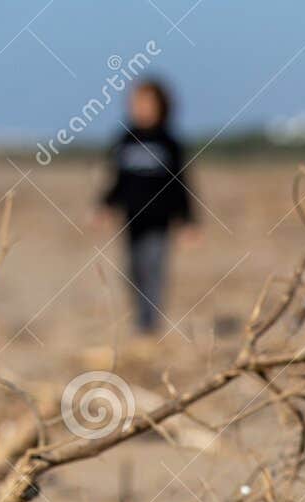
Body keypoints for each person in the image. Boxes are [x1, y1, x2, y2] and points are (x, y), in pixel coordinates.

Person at [97, 79, 197, 334]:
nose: (142, 109)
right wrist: (105, 205)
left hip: (160, 220)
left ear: (162, 106)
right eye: (137, 103)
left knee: (154, 269)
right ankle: (139, 317)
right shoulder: (125, 139)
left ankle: (150, 324)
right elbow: (116, 180)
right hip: (132, 219)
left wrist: (189, 221)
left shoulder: (169, 143)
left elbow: (182, 185)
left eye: (147, 103)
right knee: (133, 270)